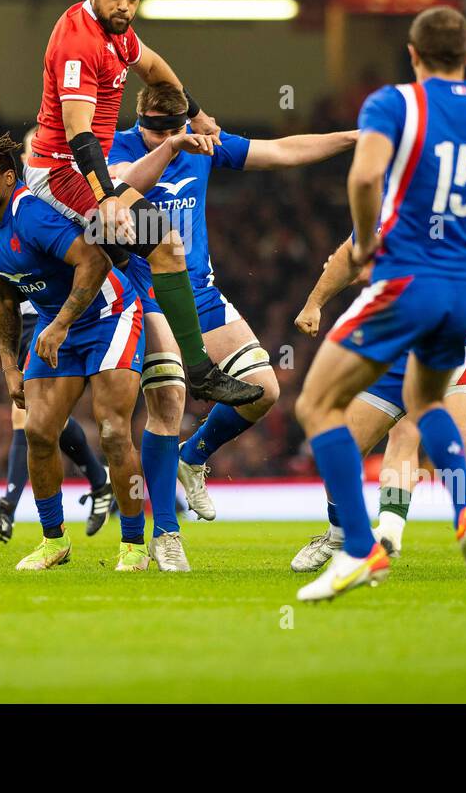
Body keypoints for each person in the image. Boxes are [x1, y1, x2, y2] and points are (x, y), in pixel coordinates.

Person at [292, 5, 466, 602]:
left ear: (411, 54)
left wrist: (364, 240)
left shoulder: (393, 105)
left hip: (404, 286)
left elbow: (362, 182)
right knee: (423, 404)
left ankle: (360, 552)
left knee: (314, 405)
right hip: (460, 301)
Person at [106, 80, 360, 570]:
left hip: (200, 294)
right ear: (141, 121)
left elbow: (283, 151)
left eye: (172, 133)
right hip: (144, 296)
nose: (164, 141)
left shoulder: (204, 146)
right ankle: (166, 534)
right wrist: (174, 144)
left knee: (264, 389)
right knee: (168, 403)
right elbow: (123, 187)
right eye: (154, 133)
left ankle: (192, 456)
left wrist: (351, 138)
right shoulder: (118, 147)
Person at [24, 0, 263, 408]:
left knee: (134, 247)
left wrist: (198, 115)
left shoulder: (117, 33)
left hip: (84, 169)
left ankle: (191, 368)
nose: (125, 5)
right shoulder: (78, 42)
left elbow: (154, 69)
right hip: (60, 172)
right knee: (163, 244)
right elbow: (79, 132)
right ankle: (199, 371)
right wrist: (107, 199)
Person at [289, 206, 466, 573]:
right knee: (344, 440)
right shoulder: (387, 215)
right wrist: (314, 303)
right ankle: (339, 533)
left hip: (458, 345)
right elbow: (349, 254)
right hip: (398, 346)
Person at [0, 125, 149, 572]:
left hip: (109, 316)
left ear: (8, 178)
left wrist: (61, 324)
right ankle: (53, 541)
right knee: (39, 431)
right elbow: (1, 296)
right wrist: (7, 366)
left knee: (114, 433)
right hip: (53, 326)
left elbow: (95, 258)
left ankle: (135, 546)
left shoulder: (33, 214)